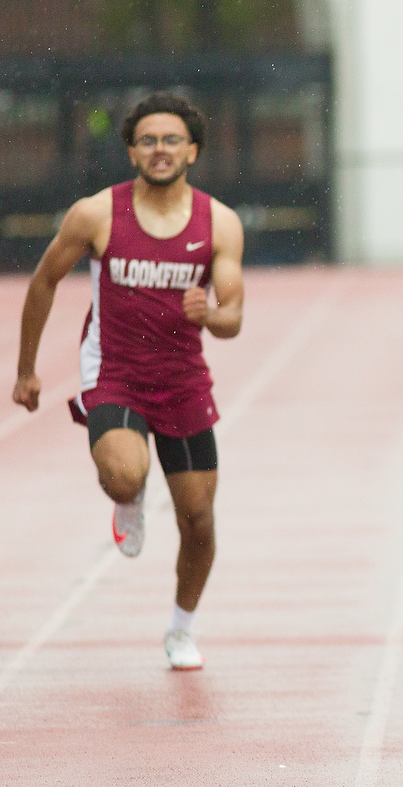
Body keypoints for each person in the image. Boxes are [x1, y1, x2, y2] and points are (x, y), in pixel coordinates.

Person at [12, 92, 245, 670]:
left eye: (171, 140)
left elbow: (233, 319)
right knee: (122, 475)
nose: (159, 150)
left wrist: (208, 315)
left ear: (192, 150)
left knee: (200, 522)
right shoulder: (95, 214)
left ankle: (181, 630)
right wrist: (26, 369)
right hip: (114, 373)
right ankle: (130, 498)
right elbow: (43, 282)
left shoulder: (218, 222)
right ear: (131, 150)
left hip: (183, 380)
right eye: (147, 140)